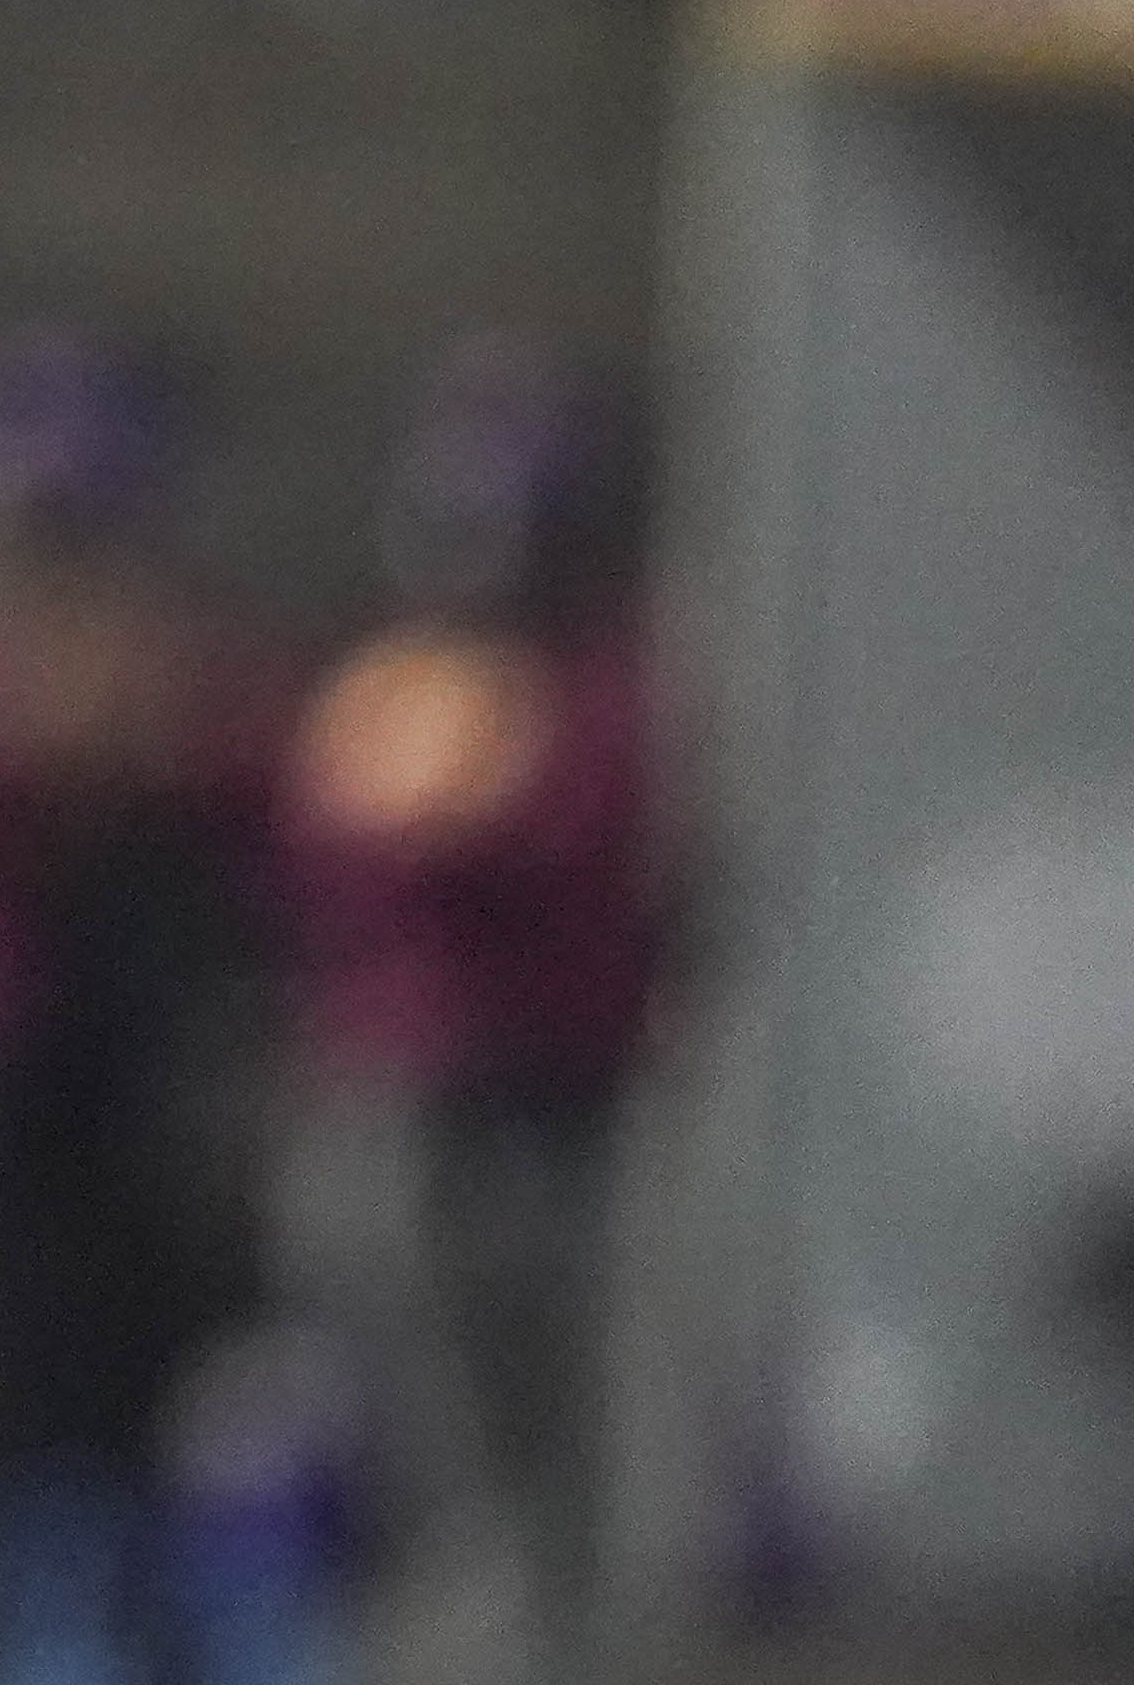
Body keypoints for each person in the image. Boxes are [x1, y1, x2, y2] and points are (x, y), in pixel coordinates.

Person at [0, 327, 295, 1685]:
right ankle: (8, 1615)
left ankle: (147, 1618)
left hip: (146, 1056)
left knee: (156, 1381)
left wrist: (138, 725)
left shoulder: (194, 658)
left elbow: (264, 809)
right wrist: (18, 738)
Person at [270, 341, 661, 1685]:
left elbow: (556, 838)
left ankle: (539, 1643)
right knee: (413, 1409)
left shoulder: (606, 695)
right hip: (397, 1095)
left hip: (551, 1104)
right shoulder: (393, 687)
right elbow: (338, 854)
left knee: (552, 1420)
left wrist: (475, 794)